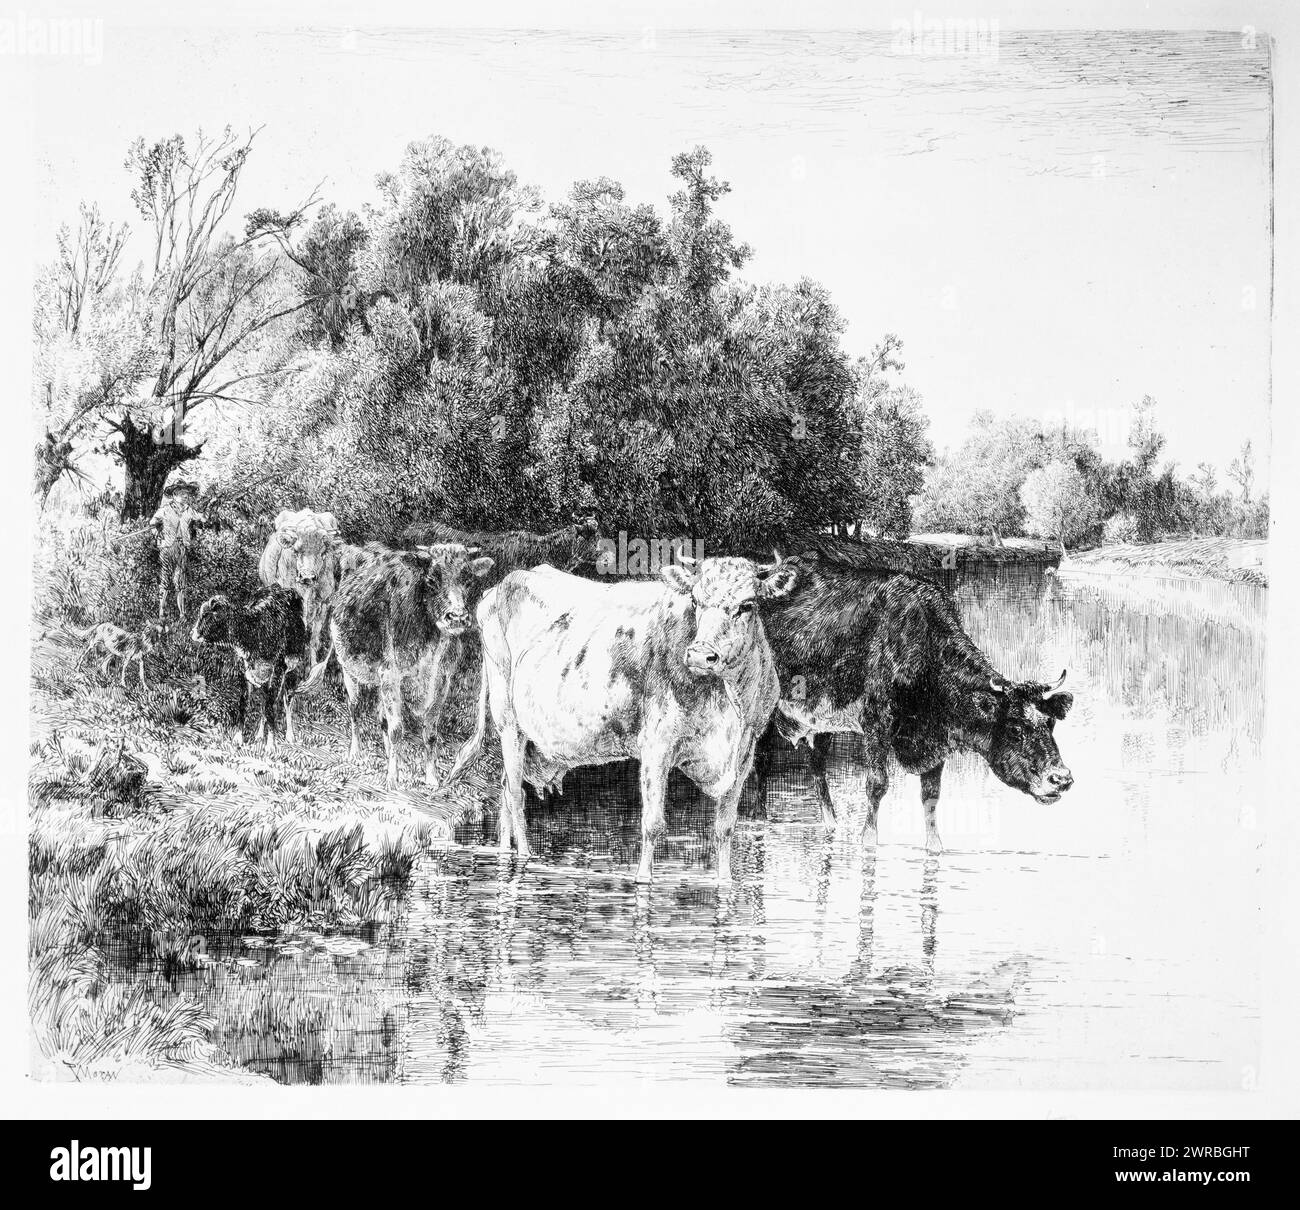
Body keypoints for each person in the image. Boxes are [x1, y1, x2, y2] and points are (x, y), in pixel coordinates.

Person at [150, 480, 209, 621]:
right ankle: (161, 612)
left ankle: (182, 614)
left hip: (182, 548)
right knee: (165, 581)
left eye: (187, 494)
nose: (185, 496)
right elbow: (152, 523)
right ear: (174, 494)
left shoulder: (189, 510)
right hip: (167, 548)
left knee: (180, 582)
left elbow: (203, 518)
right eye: (182, 493)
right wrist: (157, 532)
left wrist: (209, 506)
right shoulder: (164, 510)